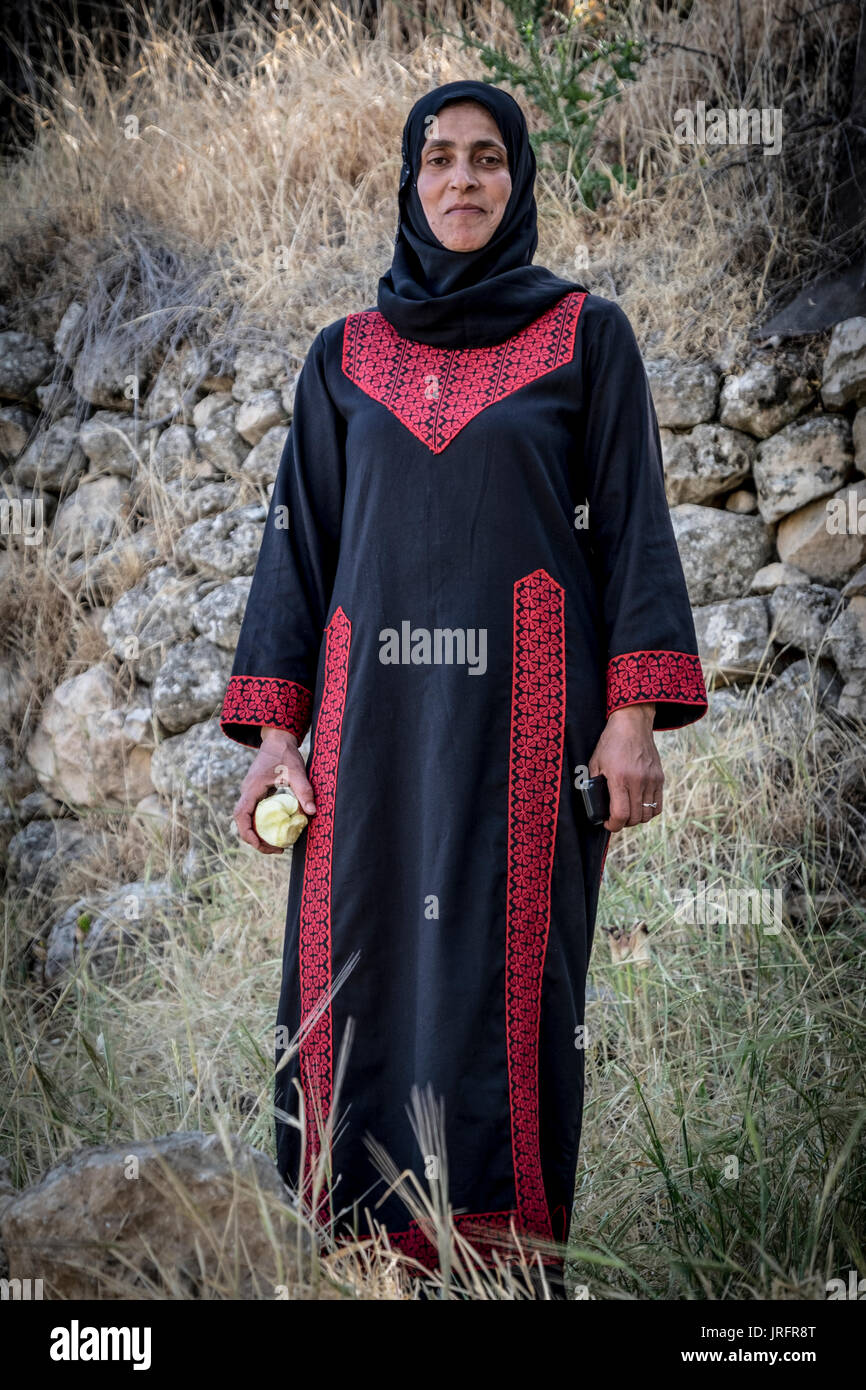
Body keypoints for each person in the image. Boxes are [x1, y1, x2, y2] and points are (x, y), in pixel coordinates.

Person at [220, 78, 708, 1290]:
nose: (460, 182)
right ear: (407, 181)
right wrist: (274, 739)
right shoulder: (342, 359)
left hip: (527, 732)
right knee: (353, 978)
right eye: (436, 159)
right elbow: (299, 552)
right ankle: (353, 1262)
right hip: (368, 738)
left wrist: (631, 718)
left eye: (486, 159)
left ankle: (499, 1268)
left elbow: (634, 530)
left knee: (513, 991)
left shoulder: (587, 336)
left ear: (518, 178)